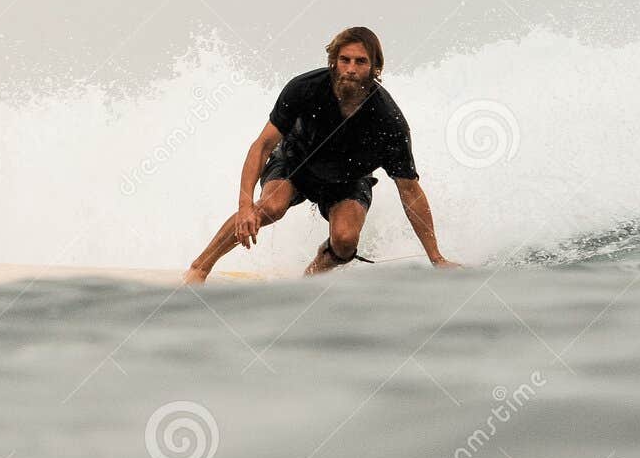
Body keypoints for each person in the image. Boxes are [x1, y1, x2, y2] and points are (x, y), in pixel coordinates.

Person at [185, 26, 459, 282]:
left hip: (348, 179)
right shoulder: (304, 88)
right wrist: (245, 206)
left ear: (375, 68)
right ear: (333, 61)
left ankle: (309, 281)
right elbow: (263, 146)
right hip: (295, 163)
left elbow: (410, 190)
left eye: (360, 62)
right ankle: (199, 268)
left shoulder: (388, 121)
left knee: (345, 240)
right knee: (270, 207)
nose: (351, 69)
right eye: (344, 60)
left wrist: (436, 258)